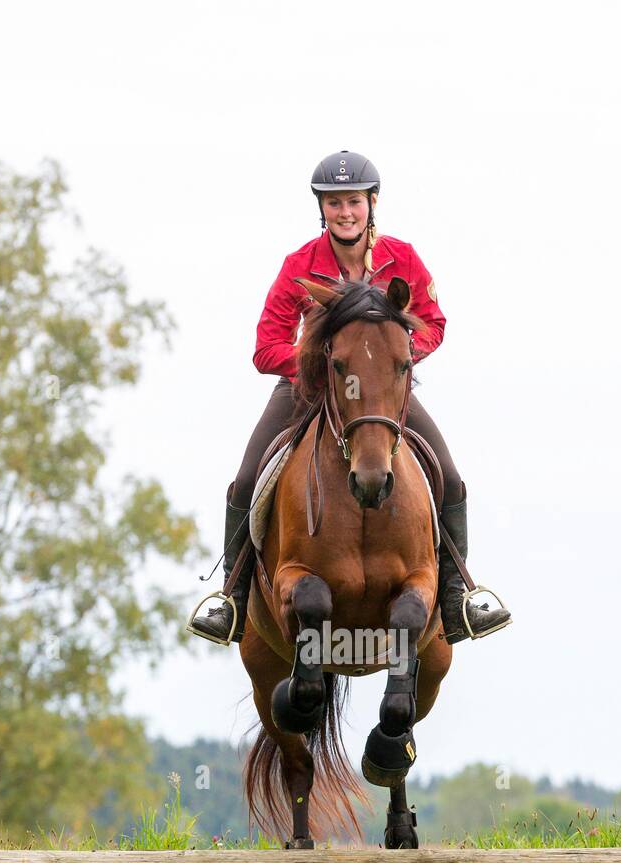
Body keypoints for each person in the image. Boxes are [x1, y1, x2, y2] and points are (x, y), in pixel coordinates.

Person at [190, 149, 511, 645]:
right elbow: (265, 347)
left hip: (380, 392)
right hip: (308, 387)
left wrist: (391, 362)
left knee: (448, 476)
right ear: (322, 209)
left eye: (353, 202)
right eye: (334, 202)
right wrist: (318, 366)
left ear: (371, 203)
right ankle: (230, 599)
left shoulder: (401, 257)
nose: (344, 212)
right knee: (247, 477)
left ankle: (455, 596)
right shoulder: (300, 265)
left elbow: (434, 323)